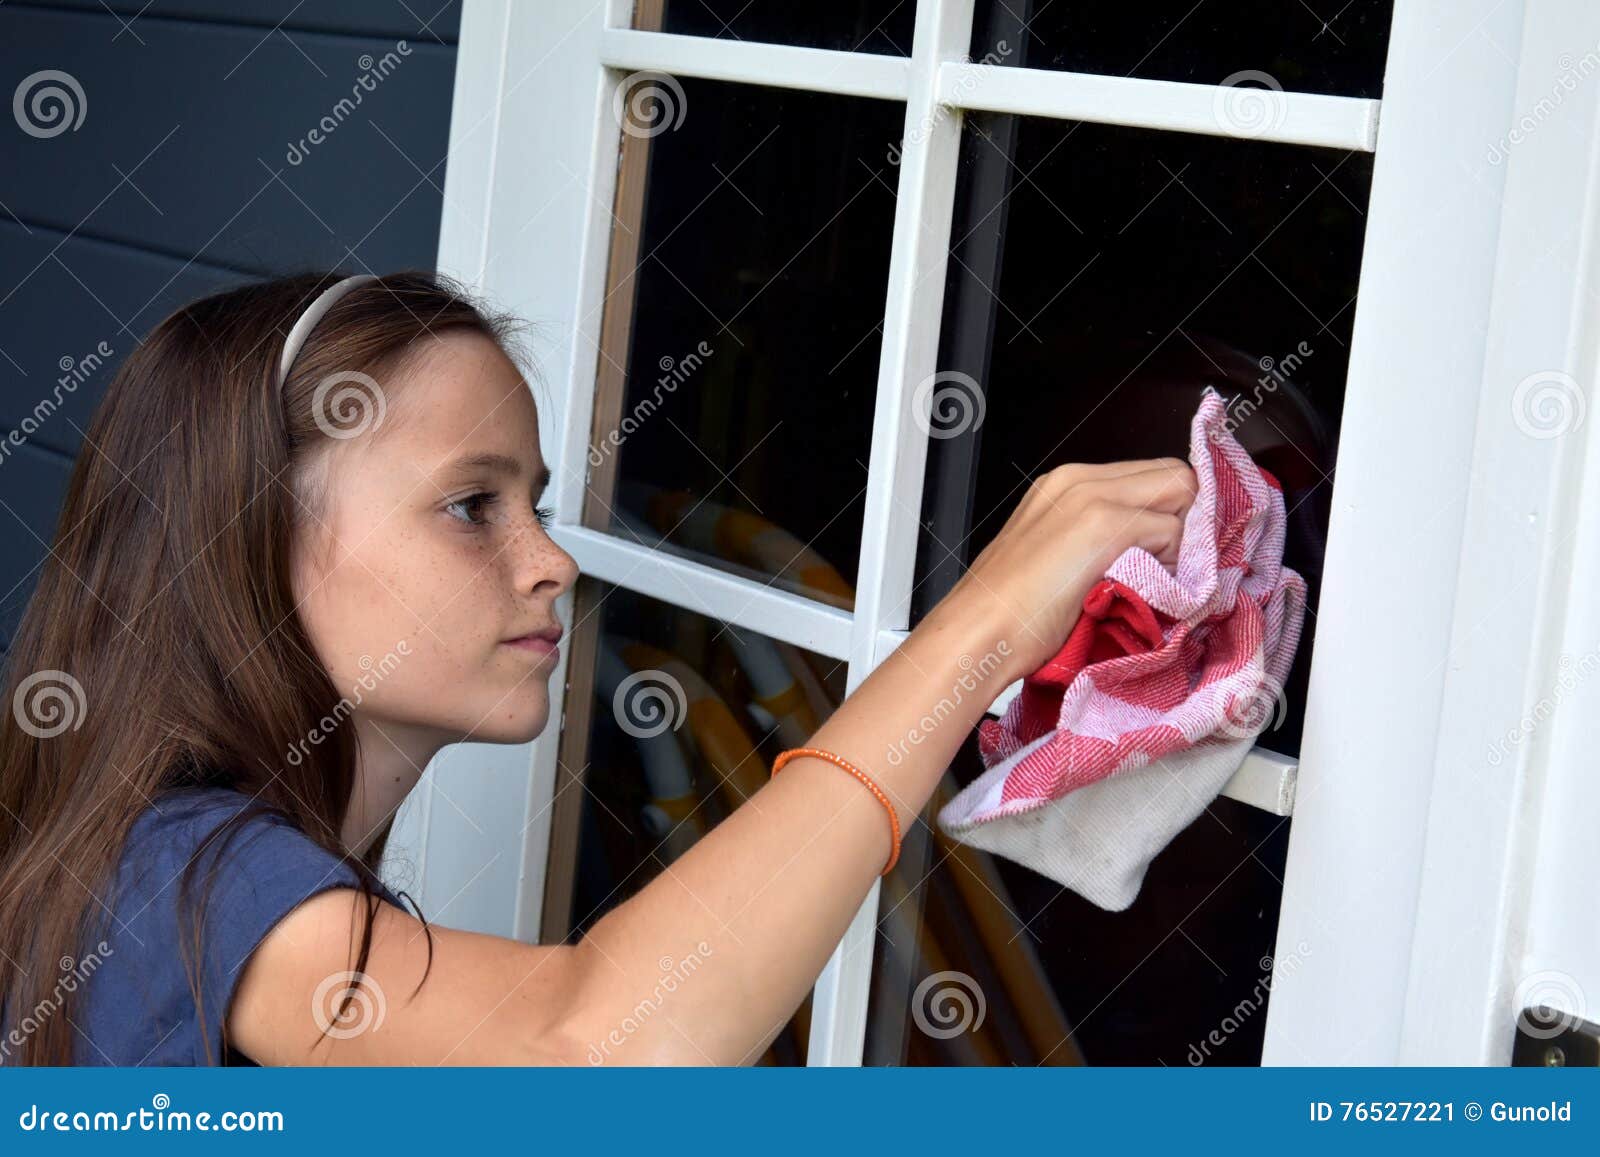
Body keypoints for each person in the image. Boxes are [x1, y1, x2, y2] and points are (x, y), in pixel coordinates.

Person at [0, 270, 1195, 1066]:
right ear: (248, 540)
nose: (550, 563)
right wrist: (980, 624)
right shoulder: (181, 879)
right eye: (472, 505)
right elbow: (594, 1050)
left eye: (539, 503)